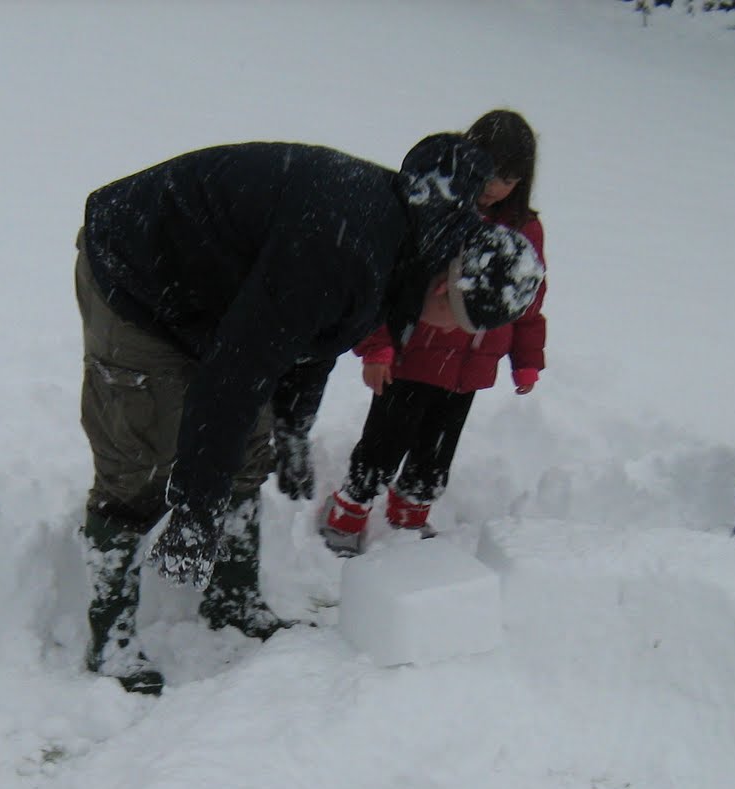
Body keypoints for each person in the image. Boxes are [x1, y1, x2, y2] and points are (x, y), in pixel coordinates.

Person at [76, 134, 544, 694]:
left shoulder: (410, 247)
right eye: (461, 324)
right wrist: (197, 507)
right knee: (140, 453)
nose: (449, 334)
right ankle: (110, 635)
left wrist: (291, 426)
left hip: (221, 291)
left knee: (247, 440)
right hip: (140, 271)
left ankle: (231, 599)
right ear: (445, 287)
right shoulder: (347, 249)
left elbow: (312, 338)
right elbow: (235, 373)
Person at [318, 110, 549, 555]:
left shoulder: (525, 230)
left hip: (470, 371)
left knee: (435, 454)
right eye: (489, 173)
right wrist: (378, 346)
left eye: (507, 179)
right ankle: (349, 511)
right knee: (383, 445)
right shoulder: (440, 212)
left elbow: (526, 298)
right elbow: (387, 283)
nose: (494, 187)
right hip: (413, 358)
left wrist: (526, 359)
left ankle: (409, 518)